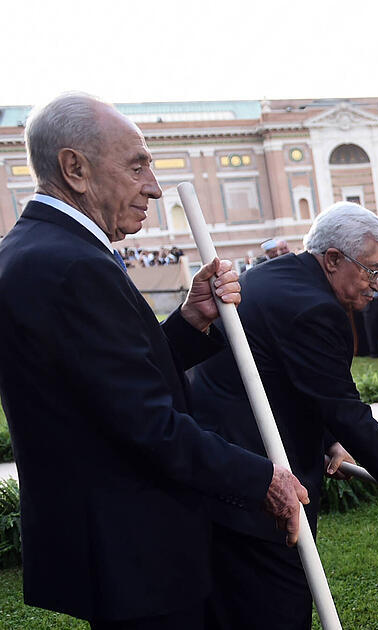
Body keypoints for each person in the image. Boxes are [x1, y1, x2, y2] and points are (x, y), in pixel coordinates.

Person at [0, 93, 308, 629]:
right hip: (136, 546)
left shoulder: (39, 250)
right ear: (76, 168)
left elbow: (112, 384)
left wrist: (191, 321)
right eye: (138, 164)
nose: (155, 187)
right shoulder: (72, 264)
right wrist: (264, 479)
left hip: (116, 540)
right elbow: (146, 424)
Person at [188, 202, 378, 629]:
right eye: (371, 271)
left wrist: (329, 439)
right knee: (276, 609)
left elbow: (290, 379)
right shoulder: (314, 308)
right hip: (258, 483)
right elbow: (345, 409)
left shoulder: (272, 276)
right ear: (333, 259)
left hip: (219, 471)